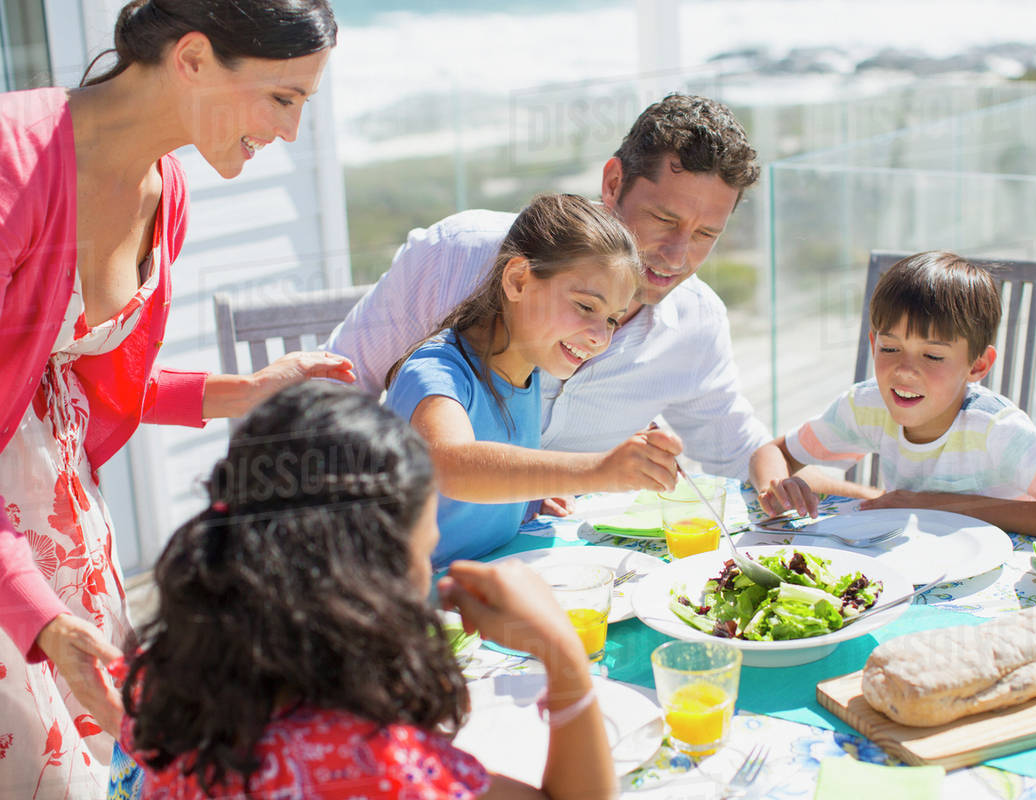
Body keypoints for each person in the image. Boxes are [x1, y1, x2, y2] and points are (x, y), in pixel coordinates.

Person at [0, 2, 354, 795]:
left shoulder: (167, 190)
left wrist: (252, 391)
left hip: (62, 535)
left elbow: (87, 389)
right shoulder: (11, 162)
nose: (292, 133)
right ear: (193, 58)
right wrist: (42, 621)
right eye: (284, 97)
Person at [113, 381, 614, 799]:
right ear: (367, 579)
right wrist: (564, 654)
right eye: (424, 554)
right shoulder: (380, 767)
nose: (431, 577)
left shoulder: (163, 697)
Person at [326, 94, 773, 499]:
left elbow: (744, 452)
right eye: (663, 218)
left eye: (705, 234)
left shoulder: (695, 322)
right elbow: (336, 402)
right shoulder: (454, 261)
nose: (677, 257)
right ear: (614, 182)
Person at [749, 251, 1036, 539]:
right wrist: (776, 487)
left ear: (977, 366)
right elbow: (772, 452)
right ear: (873, 343)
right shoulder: (869, 406)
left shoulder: (994, 429)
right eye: (889, 348)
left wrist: (933, 504)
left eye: (933, 355)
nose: (904, 369)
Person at [384, 193, 682, 566]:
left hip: (480, 581)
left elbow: (484, 480)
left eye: (611, 320)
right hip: (408, 605)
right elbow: (453, 467)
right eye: (586, 306)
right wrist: (598, 471)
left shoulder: (527, 373)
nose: (600, 337)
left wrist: (526, 496)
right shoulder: (436, 372)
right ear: (518, 280)